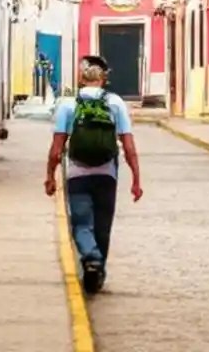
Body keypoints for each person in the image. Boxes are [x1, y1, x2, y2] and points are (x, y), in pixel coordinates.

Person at [45, 55, 143, 293]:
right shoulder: (116, 103)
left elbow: (57, 149)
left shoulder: (68, 105)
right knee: (102, 226)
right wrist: (136, 180)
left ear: (81, 78)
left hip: (77, 174)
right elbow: (129, 147)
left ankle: (91, 258)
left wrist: (50, 176)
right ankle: (98, 269)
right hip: (107, 175)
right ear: (103, 79)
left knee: (81, 223)